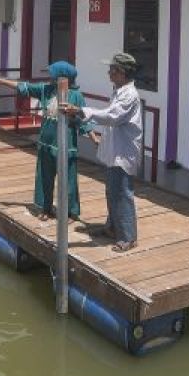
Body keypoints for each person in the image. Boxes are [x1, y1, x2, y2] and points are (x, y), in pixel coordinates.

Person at [63, 52, 143, 252]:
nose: (109, 73)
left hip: (122, 153)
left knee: (122, 193)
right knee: (112, 191)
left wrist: (82, 111)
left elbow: (112, 116)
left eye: (113, 70)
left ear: (122, 73)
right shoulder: (119, 90)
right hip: (114, 151)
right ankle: (112, 227)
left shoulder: (129, 95)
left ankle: (128, 237)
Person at [0, 62, 92, 222]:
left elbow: (84, 119)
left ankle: (70, 211)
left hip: (66, 146)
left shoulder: (76, 96)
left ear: (62, 77)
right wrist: (1, 81)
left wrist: (93, 137)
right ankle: (46, 207)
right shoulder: (46, 90)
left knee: (68, 180)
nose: (49, 77)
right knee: (45, 177)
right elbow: (24, 87)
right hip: (46, 143)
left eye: (53, 75)